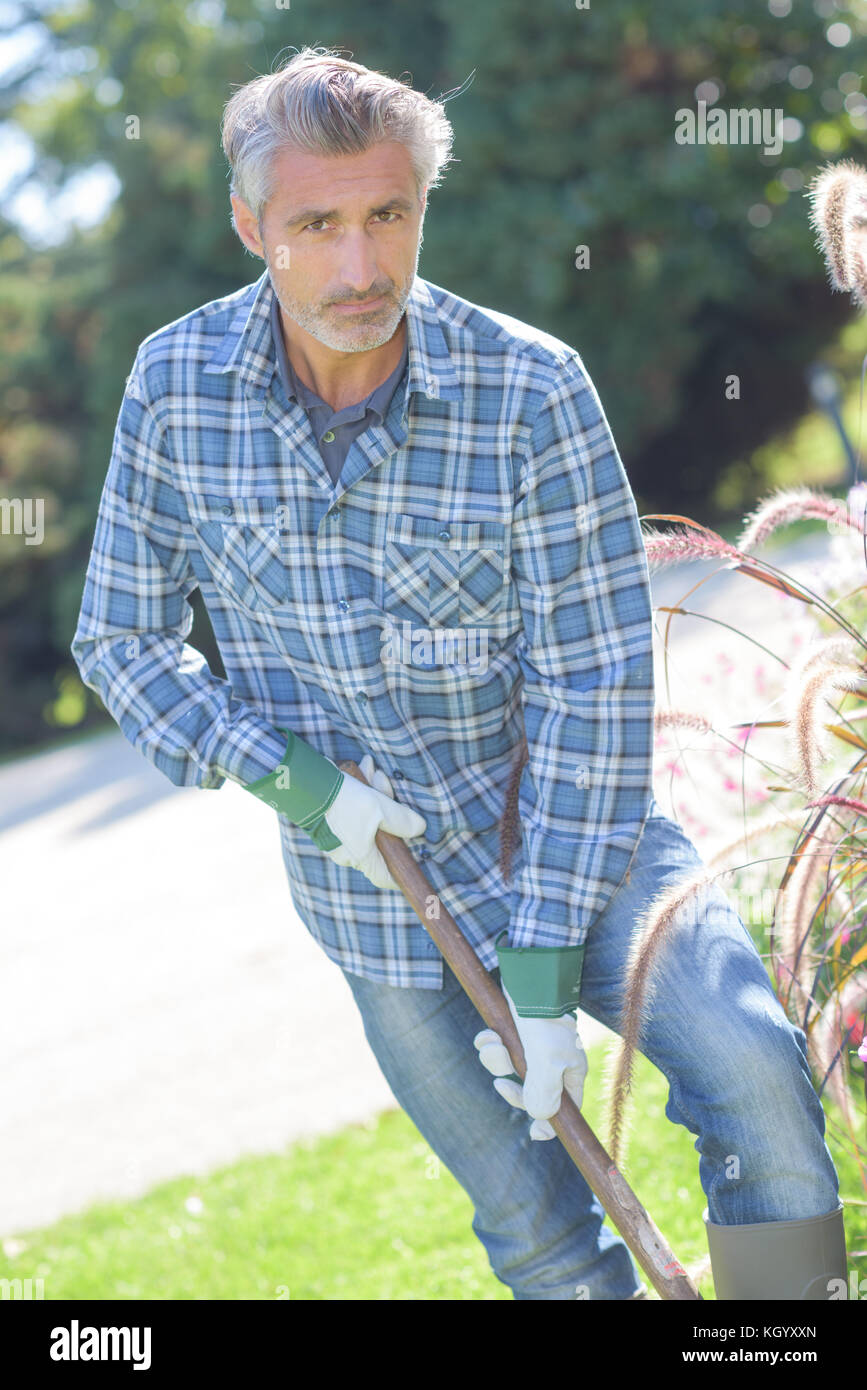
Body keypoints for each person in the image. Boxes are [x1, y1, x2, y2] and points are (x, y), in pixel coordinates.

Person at [71, 44, 846, 1300]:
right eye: (315, 226)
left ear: (424, 204)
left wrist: (541, 968)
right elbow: (120, 635)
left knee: (755, 1076)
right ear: (248, 224)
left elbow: (593, 686)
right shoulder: (175, 388)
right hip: (374, 905)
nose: (360, 267)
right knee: (541, 1241)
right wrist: (289, 776)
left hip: (577, 838)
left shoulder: (531, 389)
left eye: (390, 216)